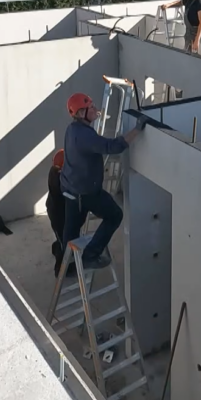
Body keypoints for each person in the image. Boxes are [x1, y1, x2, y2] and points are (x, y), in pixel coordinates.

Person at [60, 92, 141, 270]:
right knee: (115, 215)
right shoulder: (84, 135)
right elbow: (112, 147)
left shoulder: (72, 129)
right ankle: (90, 255)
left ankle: (66, 267)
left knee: (71, 232)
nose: (95, 108)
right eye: (91, 106)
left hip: (71, 188)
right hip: (86, 192)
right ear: (81, 113)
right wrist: (137, 130)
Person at [47, 149, 72, 276]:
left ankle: (56, 246)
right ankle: (60, 270)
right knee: (64, 241)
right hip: (57, 213)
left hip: (55, 210)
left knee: (62, 238)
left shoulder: (54, 171)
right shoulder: (58, 177)